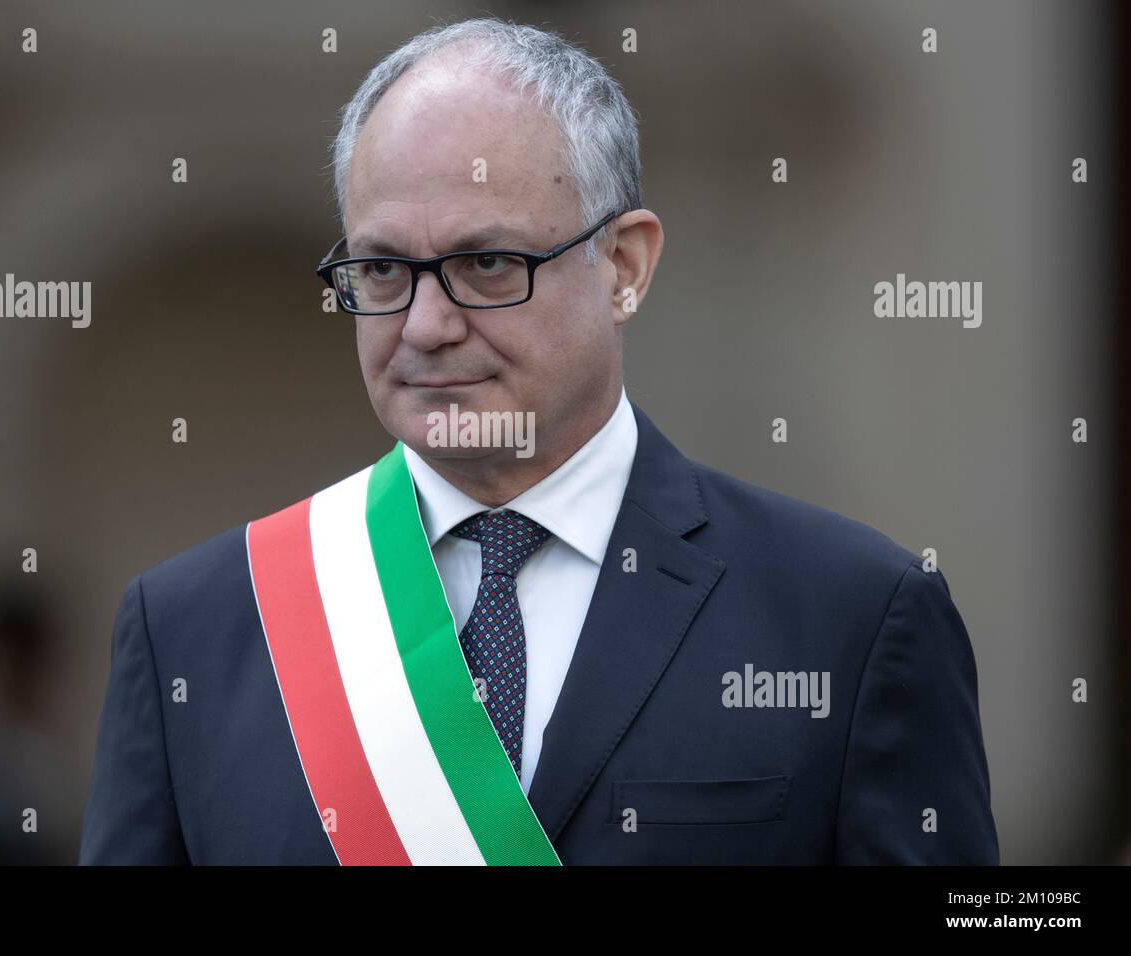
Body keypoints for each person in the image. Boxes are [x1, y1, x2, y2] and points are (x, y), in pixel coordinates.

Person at [79, 16, 998, 865]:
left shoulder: (852, 618)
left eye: (486, 263)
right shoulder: (197, 630)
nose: (425, 325)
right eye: (385, 269)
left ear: (625, 267)